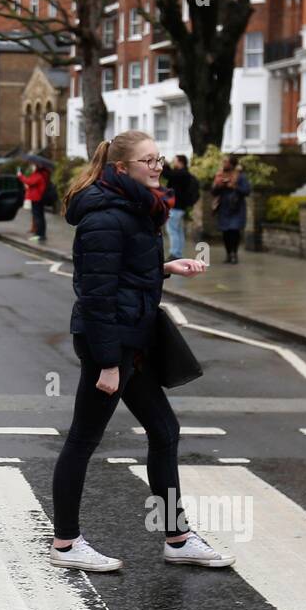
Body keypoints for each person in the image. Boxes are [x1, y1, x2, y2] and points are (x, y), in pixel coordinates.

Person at [49, 131, 229, 573]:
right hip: (109, 343)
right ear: (121, 169)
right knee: (83, 439)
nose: (157, 166)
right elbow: (97, 295)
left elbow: (124, 274)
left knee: (164, 430)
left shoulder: (135, 209)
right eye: (148, 160)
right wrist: (109, 363)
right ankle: (66, 544)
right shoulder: (104, 218)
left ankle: (178, 537)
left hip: (135, 339)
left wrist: (164, 268)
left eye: (159, 158)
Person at [211, 154, 250, 263]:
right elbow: (213, 192)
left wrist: (234, 187)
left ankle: (234, 253)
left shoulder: (240, 176)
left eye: (226, 162)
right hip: (224, 207)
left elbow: (247, 191)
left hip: (236, 207)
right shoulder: (219, 175)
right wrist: (220, 186)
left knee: (234, 230)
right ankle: (228, 254)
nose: (224, 164)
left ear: (232, 164)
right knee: (226, 232)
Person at [161, 154, 199, 260]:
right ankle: (178, 253)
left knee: (172, 230)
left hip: (176, 207)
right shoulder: (184, 173)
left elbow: (168, 175)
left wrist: (164, 165)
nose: (174, 163)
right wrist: (167, 166)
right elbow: (170, 174)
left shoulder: (182, 174)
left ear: (181, 162)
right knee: (178, 231)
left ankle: (175, 253)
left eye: (175, 161)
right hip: (179, 207)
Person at [19, 162, 49, 241]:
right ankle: (41, 234)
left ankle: (39, 235)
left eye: (34, 165)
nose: (33, 167)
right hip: (39, 198)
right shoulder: (43, 174)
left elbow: (29, 181)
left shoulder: (38, 175)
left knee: (37, 217)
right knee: (40, 216)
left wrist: (20, 176)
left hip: (36, 198)